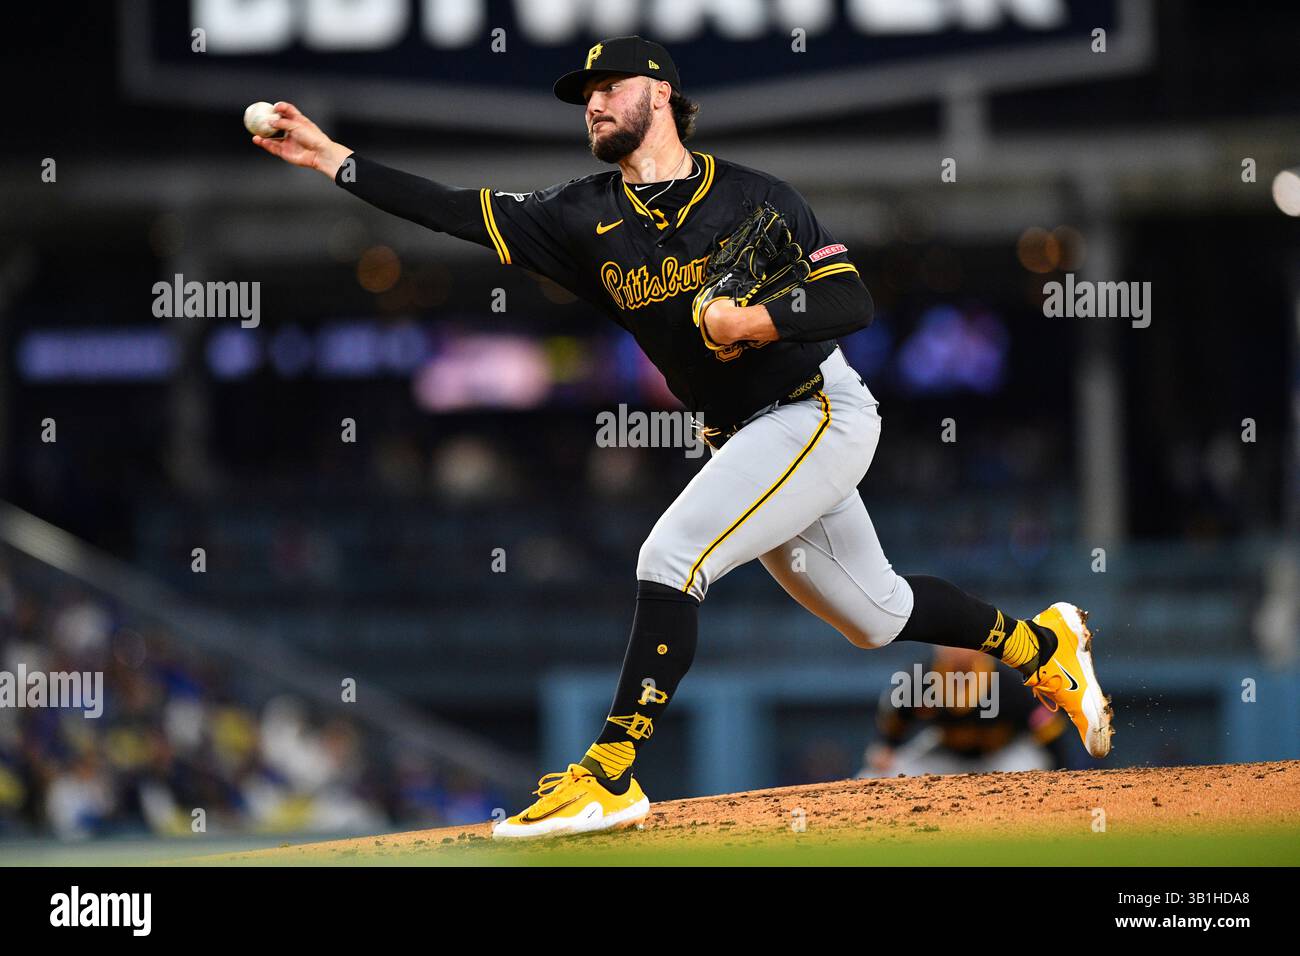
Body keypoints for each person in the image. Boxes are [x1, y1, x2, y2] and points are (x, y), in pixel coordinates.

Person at [251, 34, 1113, 840]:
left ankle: (610, 771)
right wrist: (330, 156)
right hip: (744, 434)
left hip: (817, 409)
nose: (592, 104)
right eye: (583, 95)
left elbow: (852, 302)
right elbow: (450, 211)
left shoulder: (755, 197)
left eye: (607, 87)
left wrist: (754, 319)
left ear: (659, 94)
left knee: (671, 558)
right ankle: (1043, 646)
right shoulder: (578, 216)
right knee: (877, 615)